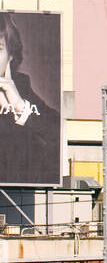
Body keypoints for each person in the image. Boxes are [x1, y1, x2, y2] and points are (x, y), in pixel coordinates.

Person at [0, 12, 61, 184]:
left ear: (10, 56)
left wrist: (20, 107)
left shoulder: (20, 87)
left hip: (19, 200)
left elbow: (59, 135)